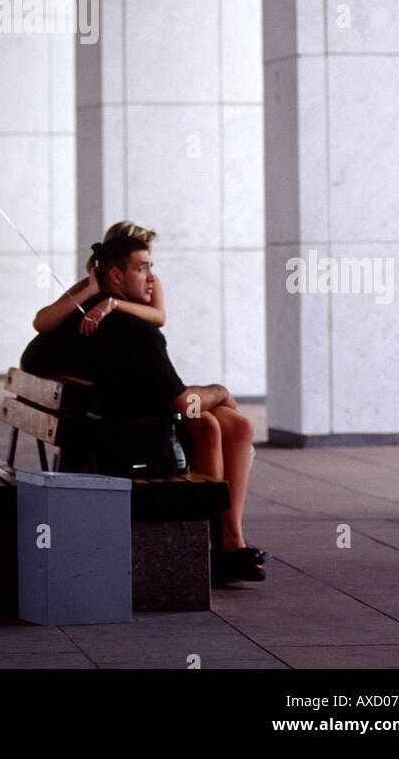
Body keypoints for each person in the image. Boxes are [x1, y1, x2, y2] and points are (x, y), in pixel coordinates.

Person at [21, 229, 267, 583]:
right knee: (212, 421)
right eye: (143, 268)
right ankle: (214, 546)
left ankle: (232, 540)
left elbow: (36, 347)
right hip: (134, 437)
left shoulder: (93, 311)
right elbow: (183, 400)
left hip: (124, 417)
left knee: (236, 425)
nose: (153, 277)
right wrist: (222, 391)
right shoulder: (130, 330)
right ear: (116, 275)